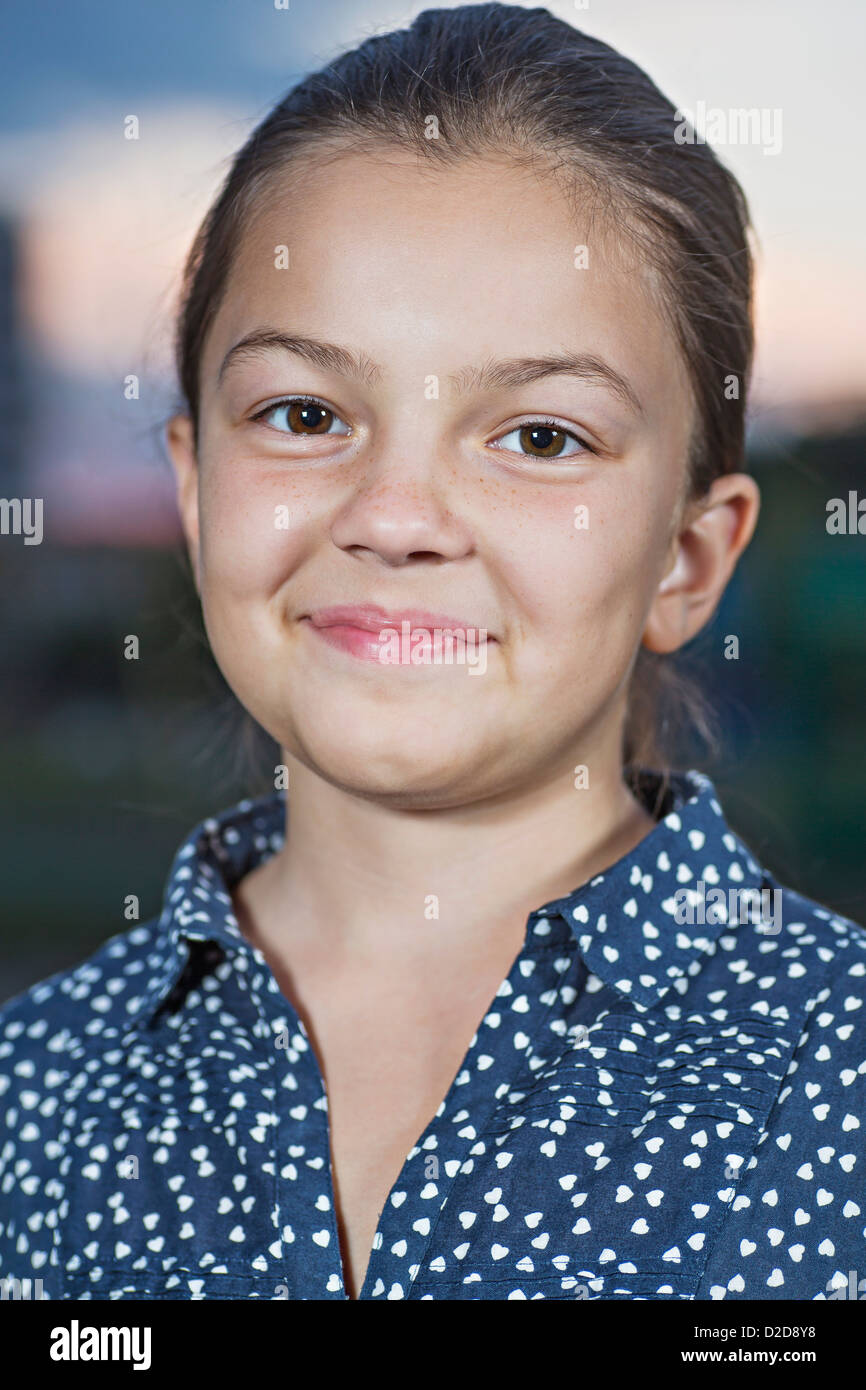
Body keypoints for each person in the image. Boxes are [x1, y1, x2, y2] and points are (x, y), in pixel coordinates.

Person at [1, 3, 863, 1302]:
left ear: (686, 558)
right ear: (194, 492)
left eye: (539, 436)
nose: (394, 517)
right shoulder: (29, 1090)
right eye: (303, 412)